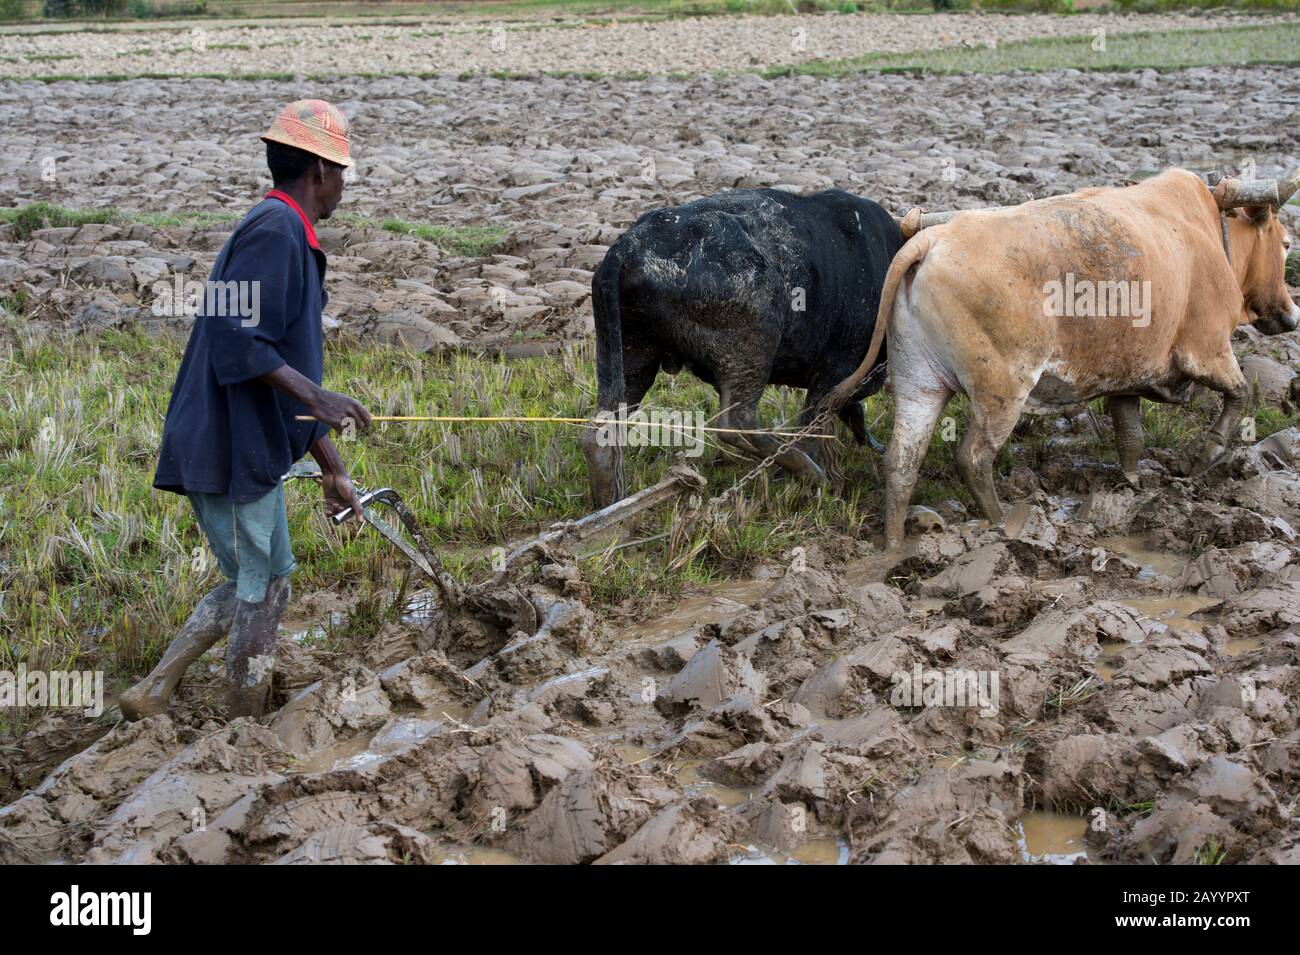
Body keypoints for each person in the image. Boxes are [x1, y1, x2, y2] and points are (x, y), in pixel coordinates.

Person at [121, 100, 373, 721]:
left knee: (250, 580)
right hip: (230, 448)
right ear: (318, 170)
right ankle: (244, 724)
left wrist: (331, 466)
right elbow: (241, 342)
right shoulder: (275, 231)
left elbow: (278, 369)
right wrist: (320, 398)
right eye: (341, 170)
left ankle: (154, 690)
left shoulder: (285, 230)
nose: (344, 184)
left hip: (242, 443)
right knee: (266, 587)